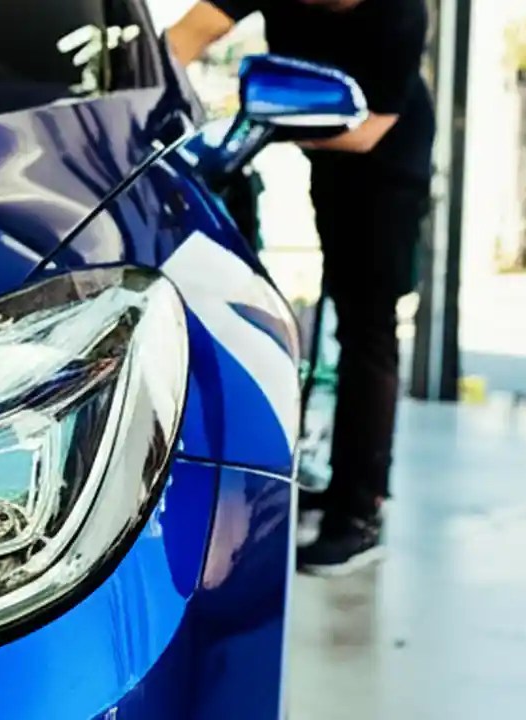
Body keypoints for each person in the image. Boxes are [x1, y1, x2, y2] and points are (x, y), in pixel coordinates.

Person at [170, 0, 436, 574]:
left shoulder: (400, 13)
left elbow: (367, 132)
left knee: (368, 328)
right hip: (326, 160)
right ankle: (339, 484)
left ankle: (360, 513)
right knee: (340, 308)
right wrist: (158, 98)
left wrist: (259, 124)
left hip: (387, 166)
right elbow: (185, 36)